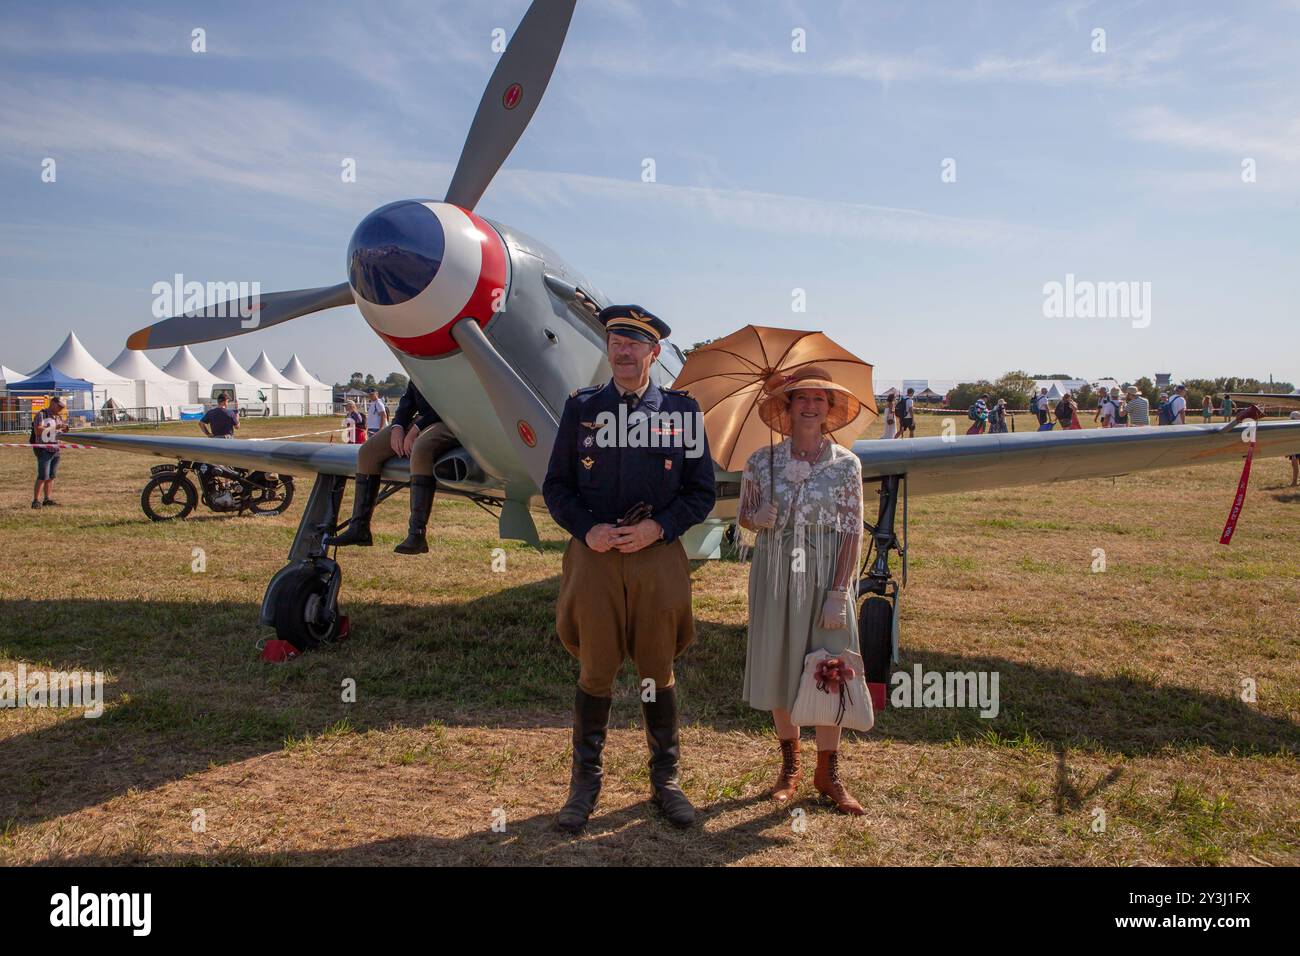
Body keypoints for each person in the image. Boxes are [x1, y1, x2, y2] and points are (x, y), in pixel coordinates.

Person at [542, 304, 716, 832]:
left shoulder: (683, 413)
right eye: (616, 339)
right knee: (595, 670)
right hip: (594, 557)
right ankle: (584, 785)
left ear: (654, 352)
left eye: (635, 342)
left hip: (655, 557)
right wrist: (586, 529)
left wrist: (658, 527)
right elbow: (556, 486)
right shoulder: (582, 408)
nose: (623, 349)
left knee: (655, 670)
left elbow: (700, 492)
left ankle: (666, 781)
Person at [737, 365, 866, 815]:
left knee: (830, 668)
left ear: (829, 409)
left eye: (819, 399)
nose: (810, 406)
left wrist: (839, 591)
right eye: (801, 398)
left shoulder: (846, 464)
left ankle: (827, 772)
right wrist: (759, 518)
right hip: (775, 573)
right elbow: (744, 519)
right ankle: (790, 767)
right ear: (787, 406)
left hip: (826, 572)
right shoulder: (761, 460)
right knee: (780, 665)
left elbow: (852, 531)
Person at [331, 381, 461, 554]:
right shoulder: (419, 361)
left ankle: (417, 534)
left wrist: (416, 429)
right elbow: (408, 401)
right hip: (422, 420)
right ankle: (359, 528)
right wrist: (398, 427)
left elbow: (455, 403)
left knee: (421, 448)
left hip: (455, 420)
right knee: (367, 452)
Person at [30, 396, 68, 509]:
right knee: (42, 476)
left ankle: (47, 499)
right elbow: (37, 430)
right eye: (59, 406)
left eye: (62, 407)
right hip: (43, 449)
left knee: (51, 476)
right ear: (52, 403)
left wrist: (64, 429)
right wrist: (55, 427)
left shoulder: (59, 416)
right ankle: (36, 501)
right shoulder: (41, 414)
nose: (61, 409)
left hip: (56, 449)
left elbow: (60, 431)